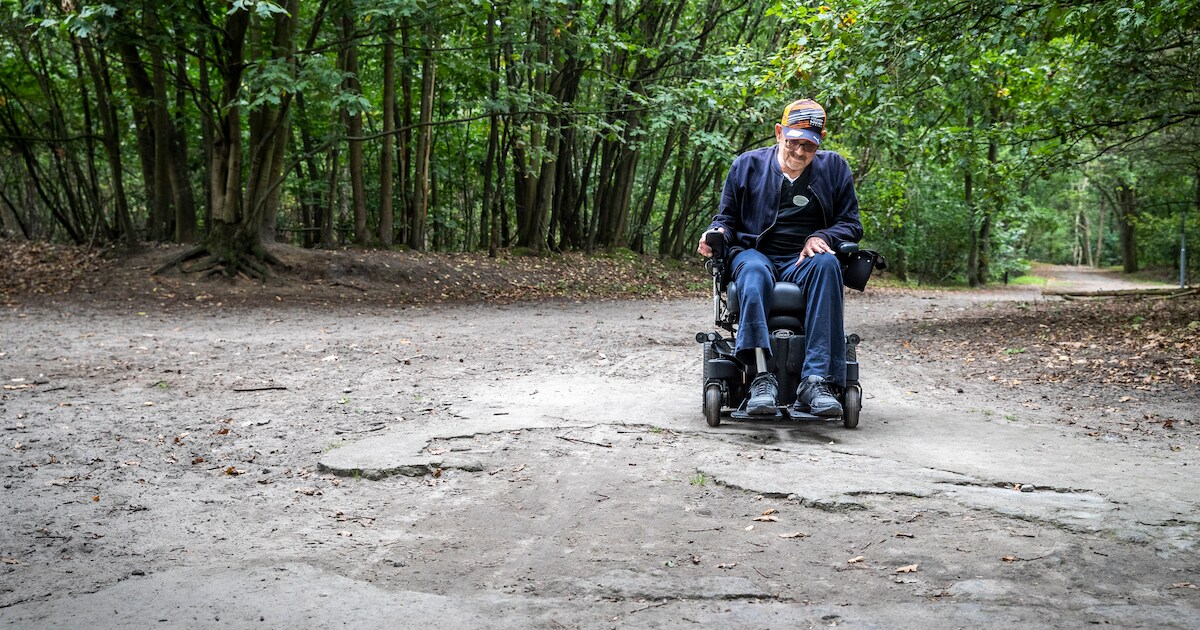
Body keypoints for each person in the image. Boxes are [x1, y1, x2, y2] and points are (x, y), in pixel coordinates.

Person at [697, 98, 862, 416]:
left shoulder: (834, 168)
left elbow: (851, 224)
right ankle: (761, 377)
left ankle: (816, 381)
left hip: (804, 258)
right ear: (778, 133)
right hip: (755, 253)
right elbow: (726, 219)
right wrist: (714, 233)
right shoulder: (746, 165)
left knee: (828, 264)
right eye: (793, 143)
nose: (800, 153)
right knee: (754, 273)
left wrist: (823, 236)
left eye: (809, 147)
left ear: (820, 143)